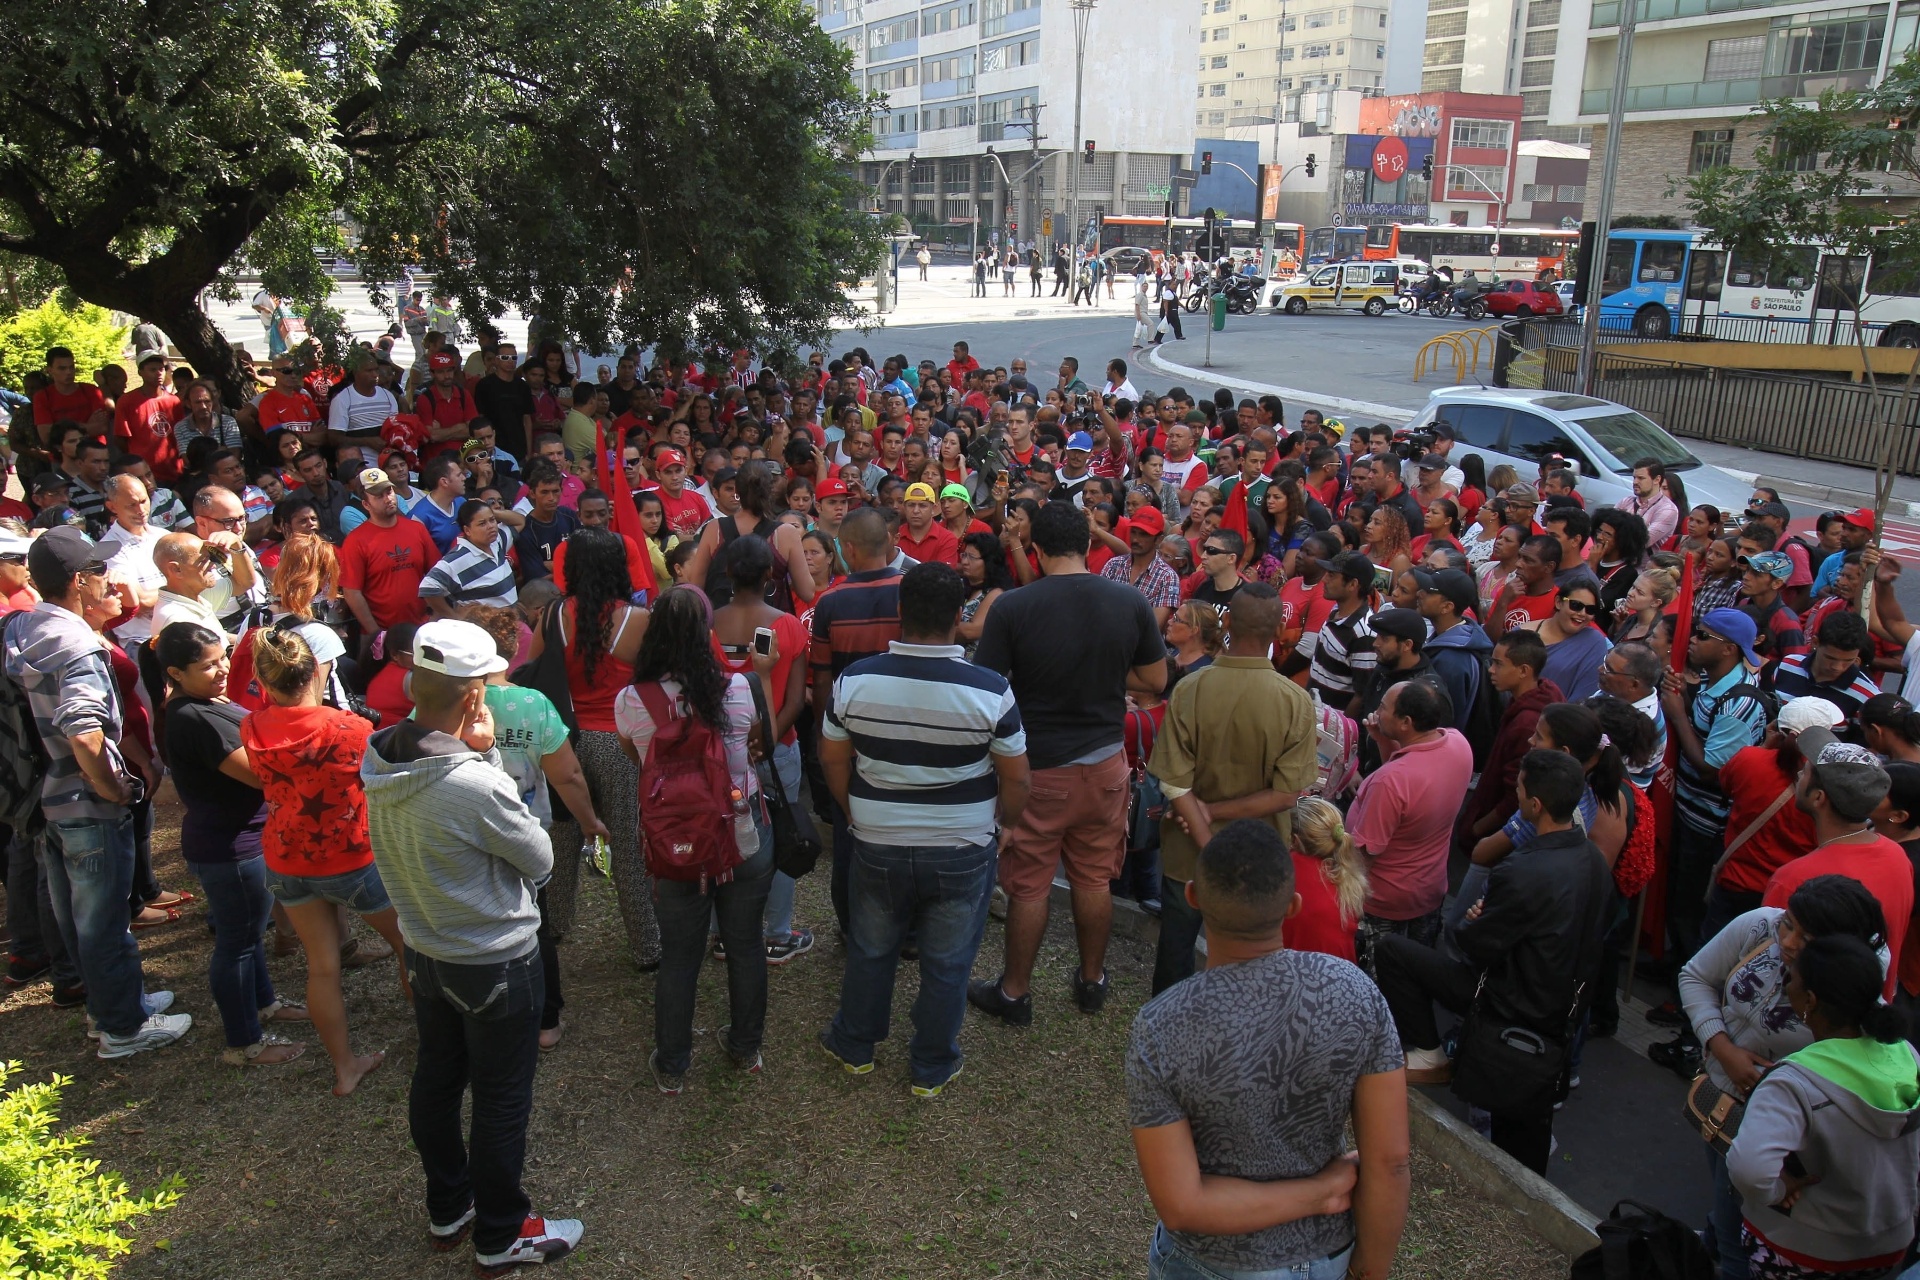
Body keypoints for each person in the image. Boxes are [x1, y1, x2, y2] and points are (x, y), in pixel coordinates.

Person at [359, 618, 584, 1270]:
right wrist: (487, 758)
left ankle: (449, 1205)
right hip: (495, 961)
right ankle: (502, 1232)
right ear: (471, 698)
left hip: (427, 947)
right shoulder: (474, 782)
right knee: (501, 1097)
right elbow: (539, 858)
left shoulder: (379, 751)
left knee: (437, 1075)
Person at [1127, 819, 1409, 1280]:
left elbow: (1182, 1206)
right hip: (1328, 1252)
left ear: (1195, 897)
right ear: (1292, 906)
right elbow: (1390, 1161)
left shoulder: (1160, 1027)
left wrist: (1322, 1191)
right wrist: (1366, 1264)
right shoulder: (1354, 992)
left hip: (1211, 1263)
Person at [818, 563, 1030, 1095]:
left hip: (876, 837)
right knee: (949, 961)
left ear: (900, 613)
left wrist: (852, 811)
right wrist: (1005, 823)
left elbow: (833, 760)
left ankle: (856, 1045)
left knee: (871, 947)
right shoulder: (991, 690)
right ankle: (931, 1066)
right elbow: (1017, 777)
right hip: (963, 843)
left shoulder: (855, 680)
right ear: (960, 616)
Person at [971, 502, 1166, 1024]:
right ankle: (1092, 979)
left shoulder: (1015, 606)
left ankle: (1014, 992)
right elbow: (1154, 681)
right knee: (1094, 878)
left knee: (1029, 884)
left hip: (1040, 769)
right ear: (1088, 544)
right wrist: (1104, 680)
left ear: (1035, 548)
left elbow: (987, 690)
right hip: (1106, 766)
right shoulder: (1130, 600)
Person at [1375, 749, 1609, 1173]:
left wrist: (1471, 919)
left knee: (1394, 951)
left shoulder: (1524, 869)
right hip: (1562, 1006)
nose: (1515, 794)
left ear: (1534, 805)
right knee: (1527, 1135)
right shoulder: (1592, 858)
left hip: (1510, 1002)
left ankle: (1430, 1054)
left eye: (1519, 789)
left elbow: (1474, 945)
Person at [3, 526, 190, 1058]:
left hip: (45, 804)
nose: (108, 578)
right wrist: (112, 789)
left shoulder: (22, 628)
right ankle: (124, 1028)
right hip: (86, 807)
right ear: (79, 580)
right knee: (105, 920)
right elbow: (84, 731)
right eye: (100, 571)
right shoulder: (79, 644)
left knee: (77, 920)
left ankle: (109, 1006)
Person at [1681, 875, 1892, 1280]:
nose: (1789, 942)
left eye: (1808, 938)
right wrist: (1722, 1048)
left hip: (1774, 1136)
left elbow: (1847, 1074)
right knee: (1724, 1198)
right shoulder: (1758, 926)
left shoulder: (1854, 990)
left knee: (1741, 1242)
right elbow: (1695, 976)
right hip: (1717, 1101)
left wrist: (1780, 1089)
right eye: (1789, 923)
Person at [612, 587, 773, 1092]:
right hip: (742, 833)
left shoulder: (631, 700)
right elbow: (754, 750)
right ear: (709, 634)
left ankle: (674, 1064)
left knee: (680, 954)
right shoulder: (740, 688)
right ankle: (745, 1048)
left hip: (674, 844)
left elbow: (642, 766)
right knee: (746, 944)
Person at [241, 625, 408, 1094]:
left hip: (286, 860)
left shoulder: (251, 726)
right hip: (352, 858)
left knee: (322, 967)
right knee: (408, 945)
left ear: (264, 679)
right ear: (316, 671)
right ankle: (436, 1036)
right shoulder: (351, 727)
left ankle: (344, 1067)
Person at [1147, 584, 1319, 993]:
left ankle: (1170, 1031)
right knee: (1251, 960)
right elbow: (1285, 795)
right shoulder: (1295, 701)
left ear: (1226, 623)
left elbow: (1173, 781)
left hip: (1188, 853)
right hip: (1259, 856)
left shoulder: (1191, 688)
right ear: (1279, 630)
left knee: (1175, 953)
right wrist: (1213, 813)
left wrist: (1206, 835)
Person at [154, 621, 305, 1066]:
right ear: (176, 673)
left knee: (251, 934)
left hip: (235, 839)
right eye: (208, 665)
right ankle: (244, 1043)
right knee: (237, 941)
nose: (222, 669)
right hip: (230, 847)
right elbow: (262, 774)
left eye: (223, 657)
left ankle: (265, 1004)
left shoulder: (206, 702)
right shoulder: (193, 717)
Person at [1727, 933, 1920, 1280]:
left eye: (1793, 980)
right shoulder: (1907, 1056)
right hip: (1888, 1247)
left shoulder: (1792, 1083)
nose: (1788, 985)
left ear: (1810, 1001)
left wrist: (1779, 1189)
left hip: (1802, 1252)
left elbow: (1749, 1170)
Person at [529, 527, 655, 967]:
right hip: (619, 744)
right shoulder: (638, 619)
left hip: (561, 741)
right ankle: (646, 944)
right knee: (627, 848)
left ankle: (554, 927)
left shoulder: (550, 615)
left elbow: (534, 673)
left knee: (559, 841)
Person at [710, 536, 814, 962]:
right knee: (780, 836)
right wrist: (765, 737)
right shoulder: (785, 625)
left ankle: (722, 933)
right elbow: (794, 700)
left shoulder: (709, 622)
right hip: (776, 748)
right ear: (772, 575)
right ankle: (776, 932)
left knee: (721, 837)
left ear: (728, 574)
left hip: (717, 751)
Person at [808, 507, 904, 934]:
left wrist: (827, 732)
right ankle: (905, 927)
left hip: (849, 730)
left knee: (850, 824)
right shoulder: (910, 591)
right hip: (904, 726)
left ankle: (851, 924)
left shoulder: (830, 601)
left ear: (846, 549)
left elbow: (823, 678)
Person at [1763, 740, 1913, 1002]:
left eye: (1807, 770)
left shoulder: (1794, 879)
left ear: (1818, 797)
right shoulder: (1897, 855)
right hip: (1863, 1020)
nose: (1799, 774)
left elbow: (1766, 971)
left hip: (1800, 1027)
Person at [1665, 608, 1774, 970]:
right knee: (1677, 897)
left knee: (1692, 907)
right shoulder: (1713, 681)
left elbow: (1713, 769)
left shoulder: (1739, 703)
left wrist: (1678, 713)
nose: (1693, 640)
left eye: (1702, 636)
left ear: (1729, 649)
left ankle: (1684, 988)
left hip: (1709, 821)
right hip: (1687, 808)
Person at [1347, 680, 1474, 955]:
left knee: (1383, 976)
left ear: (1405, 722)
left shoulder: (1390, 782)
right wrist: (1383, 738)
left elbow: (1364, 854)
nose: (1377, 712)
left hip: (1384, 903)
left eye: (1383, 708)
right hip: (1428, 891)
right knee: (1416, 969)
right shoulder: (1458, 743)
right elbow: (1409, 773)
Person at [338, 466, 439, 638]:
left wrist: (436, 615)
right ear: (365, 504)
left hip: (423, 627)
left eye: (389, 491)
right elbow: (352, 592)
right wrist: (376, 634)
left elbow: (437, 573)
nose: (387, 499)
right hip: (383, 632)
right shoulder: (355, 541)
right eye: (379, 496)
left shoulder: (416, 529)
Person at [420, 498, 517, 617]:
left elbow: (520, 520)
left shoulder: (498, 541)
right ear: (467, 530)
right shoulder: (457, 558)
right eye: (482, 523)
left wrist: (491, 511)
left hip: (509, 626)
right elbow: (428, 588)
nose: (491, 526)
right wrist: (454, 616)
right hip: (483, 631)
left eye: (492, 520)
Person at [1519, 581, 1611, 703]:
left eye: (1590, 609)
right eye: (1576, 605)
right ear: (1558, 602)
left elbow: (1585, 696)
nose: (1582, 613)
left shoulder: (1594, 642)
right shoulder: (1521, 634)